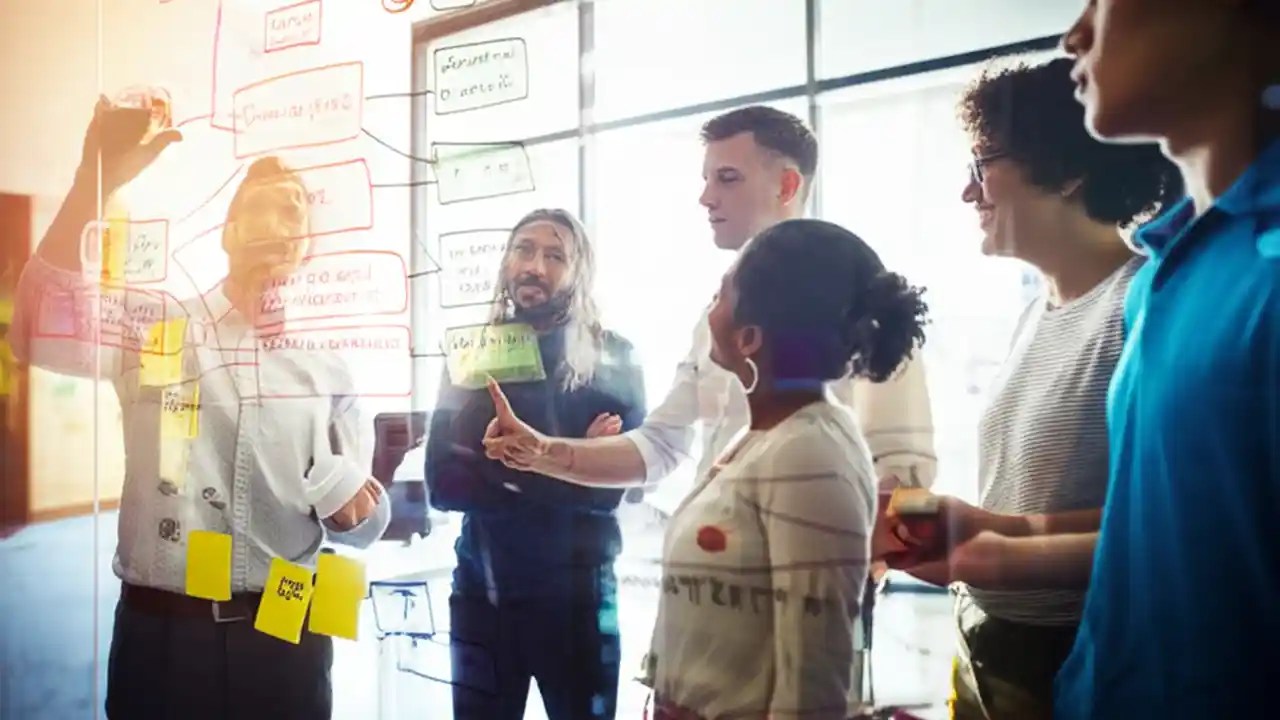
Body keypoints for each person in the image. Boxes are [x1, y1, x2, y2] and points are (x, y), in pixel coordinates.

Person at [889, 2, 1280, 716]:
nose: (1076, 35)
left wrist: (1005, 551)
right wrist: (997, 535)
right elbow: (1150, 513)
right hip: (1058, 663)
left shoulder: (1199, 278)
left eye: (983, 165)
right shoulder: (1164, 275)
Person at [8, 96, 391, 718]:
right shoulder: (157, 325)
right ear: (228, 234)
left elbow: (365, 524)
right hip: (164, 637)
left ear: (306, 248)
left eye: (296, 210)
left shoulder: (329, 368)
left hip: (288, 634)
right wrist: (92, 185)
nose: (283, 220)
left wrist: (358, 510)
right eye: (265, 203)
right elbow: (35, 330)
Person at [486, 218, 928, 718]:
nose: (710, 308)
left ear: (750, 337)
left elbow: (813, 685)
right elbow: (657, 443)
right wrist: (539, 450)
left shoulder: (811, 454)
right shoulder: (763, 437)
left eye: (721, 294)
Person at [880, 56, 1180, 720]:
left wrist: (998, 550)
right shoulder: (1036, 313)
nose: (968, 192)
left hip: (1069, 652)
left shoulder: (1140, 306)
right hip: (985, 632)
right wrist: (957, 520)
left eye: (981, 163)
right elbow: (1039, 496)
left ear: (1067, 170)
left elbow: (1161, 519)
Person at [466, 105, 936, 500]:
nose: (706, 197)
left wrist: (845, 555)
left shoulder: (860, 295)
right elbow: (661, 444)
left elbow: (907, 472)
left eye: (727, 179)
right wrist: (542, 452)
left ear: (787, 186)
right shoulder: (716, 315)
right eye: (707, 179)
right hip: (711, 566)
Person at [425, 208, 646, 720]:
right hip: (483, 596)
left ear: (579, 271)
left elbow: (611, 490)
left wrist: (502, 465)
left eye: (555, 256)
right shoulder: (473, 353)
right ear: (506, 261)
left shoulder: (613, 357)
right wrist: (574, 458)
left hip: (580, 600)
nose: (534, 267)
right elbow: (444, 484)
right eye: (523, 250)